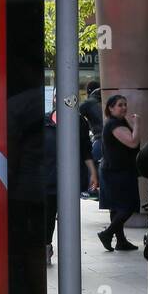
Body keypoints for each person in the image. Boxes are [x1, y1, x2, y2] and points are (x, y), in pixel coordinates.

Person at [44, 108, 97, 265]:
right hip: (48, 177)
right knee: (48, 215)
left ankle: (68, 252)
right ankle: (46, 247)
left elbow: (85, 149)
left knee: (68, 217)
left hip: (71, 178)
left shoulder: (79, 121)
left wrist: (93, 172)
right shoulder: (44, 121)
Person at [99, 94, 141, 252]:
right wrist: (137, 124)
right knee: (128, 206)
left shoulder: (117, 122)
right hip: (118, 172)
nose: (124, 107)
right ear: (110, 108)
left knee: (116, 207)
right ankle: (107, 234)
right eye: (120, 105)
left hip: (114, 171)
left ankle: (121, 241)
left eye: (125, 104)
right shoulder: (114, 124)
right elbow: (132, 142)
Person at [79, 82, 103, 199]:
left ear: (89, 91)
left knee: (90, 160)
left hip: (99, 138)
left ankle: (91, 189)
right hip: (108, 137)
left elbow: (75, 114)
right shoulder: (103, 100)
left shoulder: (88, 103)